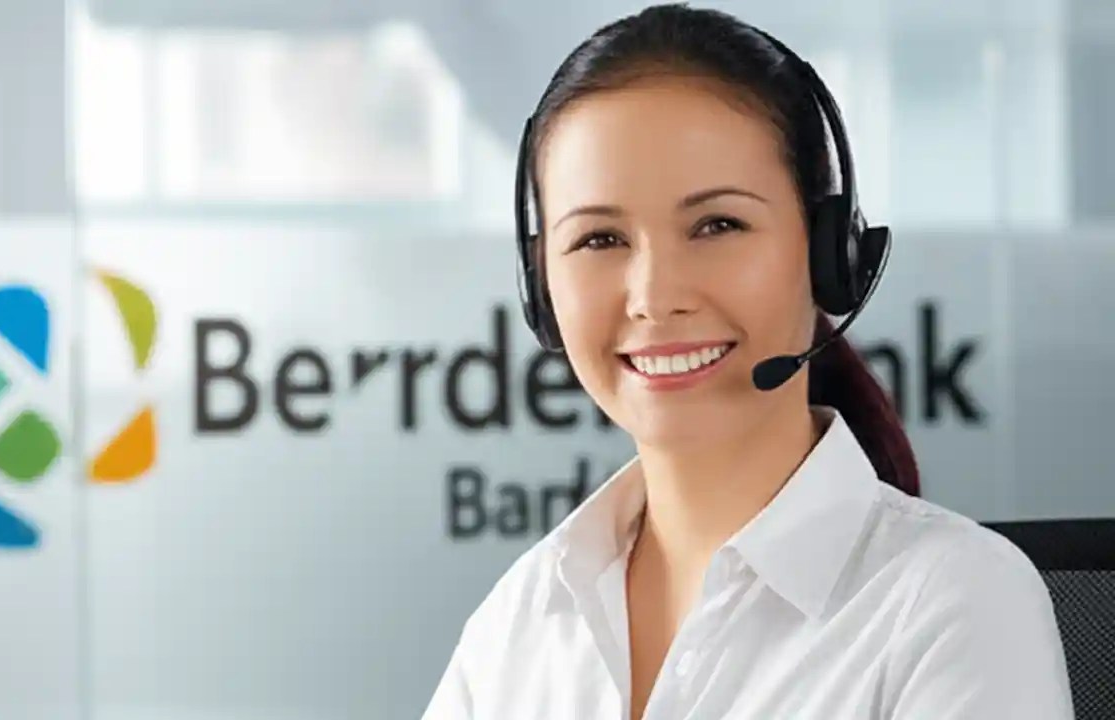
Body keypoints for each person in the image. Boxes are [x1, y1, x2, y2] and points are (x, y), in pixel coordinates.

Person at [421, 4, 1073, 719]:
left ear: (829, 256)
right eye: (600, 239)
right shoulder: (522, 619)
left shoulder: (952, 602)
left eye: (717, 225)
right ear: (539, 285)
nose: (654, 296)